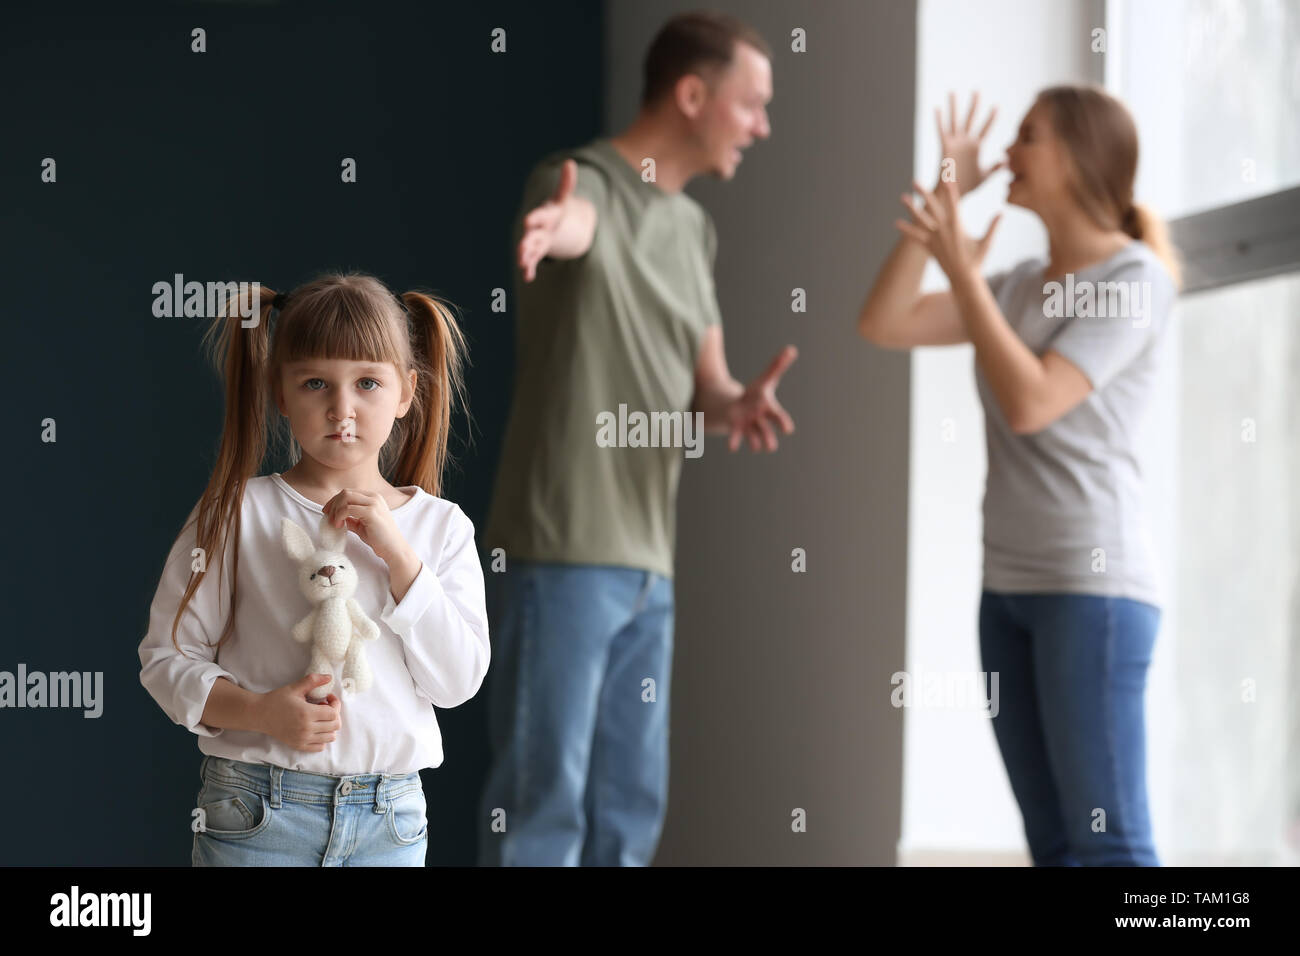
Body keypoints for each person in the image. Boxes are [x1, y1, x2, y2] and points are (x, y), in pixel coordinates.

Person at [478, 11, 796, 866]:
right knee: (542, 810)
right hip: (562, 549)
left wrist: (740, 404)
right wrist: (557, 230)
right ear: (692, 94)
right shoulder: (578, 181)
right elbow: (579, 226)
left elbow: (707, 386)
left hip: (649, 562)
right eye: (752, 103)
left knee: (630, 813)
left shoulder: (694, 230)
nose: (763, 127)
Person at [858, 87, 1181, 866]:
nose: (1005, 154)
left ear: (1076, 158)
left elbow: (1034, 401)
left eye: (1026, 138)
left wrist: (963, 273)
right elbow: (885, 320)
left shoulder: (1136, 281)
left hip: (1093, 590)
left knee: (1111, 847)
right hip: (1007, 588)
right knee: (1053, 848)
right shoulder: (1017, 285)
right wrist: (944, 196)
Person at [138, 273, 490, 866]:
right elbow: (166, 659)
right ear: (281, 392)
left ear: (406, 392)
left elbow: (456, 684)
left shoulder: (442, 528)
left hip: (391, 823)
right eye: (316, 383)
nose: (341, 409)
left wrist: (399, 557)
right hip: (257, 812)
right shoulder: (238, 512)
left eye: (368, 383)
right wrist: (262, 713)